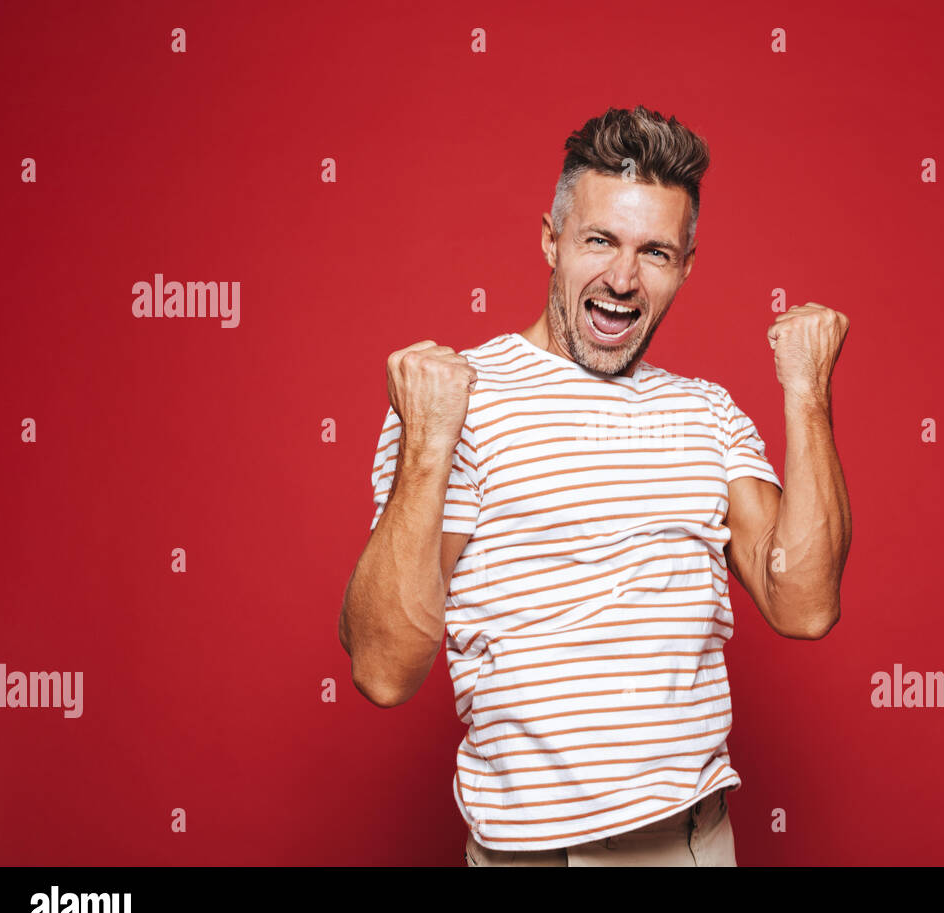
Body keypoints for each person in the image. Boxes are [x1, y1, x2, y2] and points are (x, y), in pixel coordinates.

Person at [338, 105, 851, 866]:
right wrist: (428, 446)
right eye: (600, 240)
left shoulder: (707, 414)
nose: (622, 278)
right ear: (551, 240)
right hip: (528, 855)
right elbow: (381, 670)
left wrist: (807, 392)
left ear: (687, 265)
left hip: (688, 845)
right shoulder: (458, 401)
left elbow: (805, 607)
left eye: (656, 252)